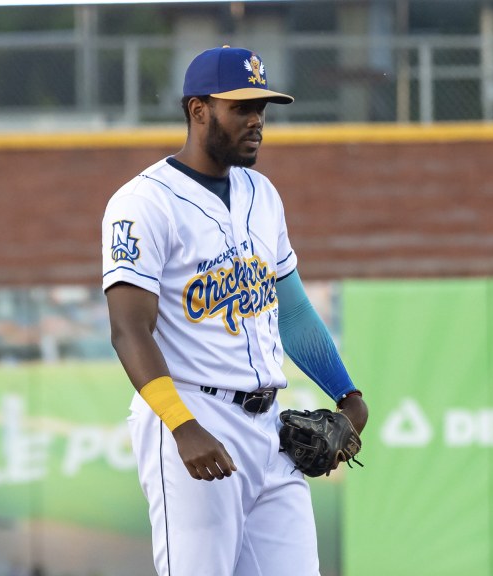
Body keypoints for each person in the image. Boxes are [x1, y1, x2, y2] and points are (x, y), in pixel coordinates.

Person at [103, 46, 369, 575]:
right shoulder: (142, 203)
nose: (256, 122)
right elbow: (129, 330)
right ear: (198, 109)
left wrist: (347, 394)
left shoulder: (262, 193)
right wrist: (182, 427)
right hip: (196, 418)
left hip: (272, 430)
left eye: (262, 109)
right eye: (240, 108)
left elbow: (290, 310)